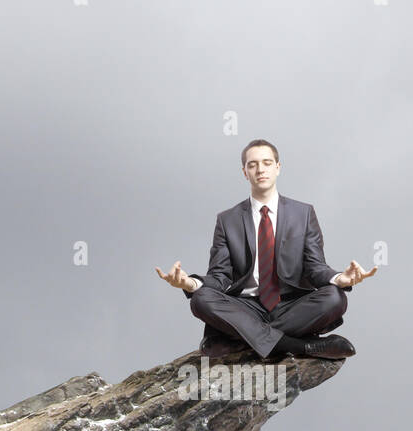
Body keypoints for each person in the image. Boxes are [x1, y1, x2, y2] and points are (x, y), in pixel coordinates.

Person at [155, 139, 375, 360]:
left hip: (291, 305)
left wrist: (340, 278)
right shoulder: (227, 220)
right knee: (200, 299)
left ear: (278, 168)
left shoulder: (304, 213)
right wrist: (189, 283)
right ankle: (300, 346)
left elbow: (315, 269)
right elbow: (220, 277)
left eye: (267, 163)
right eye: (253, 165)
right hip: (247, 306)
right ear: (244, 172)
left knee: (335, 298)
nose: (260, 169)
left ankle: (241, 337)